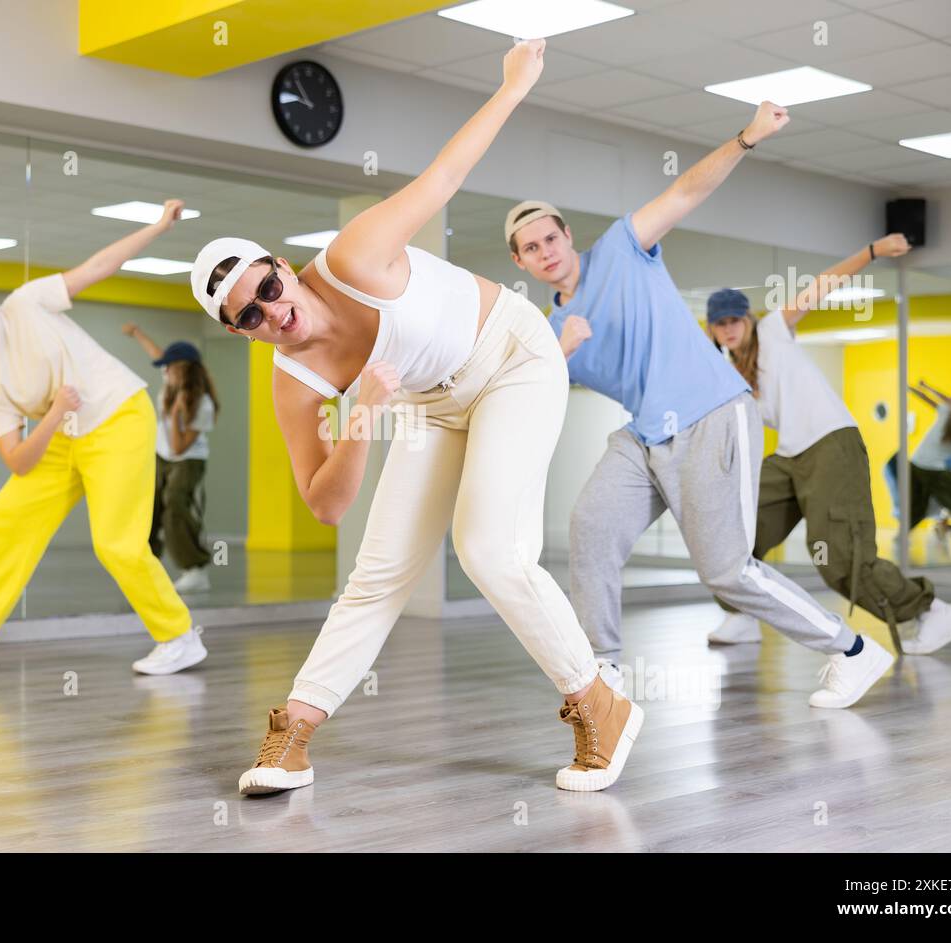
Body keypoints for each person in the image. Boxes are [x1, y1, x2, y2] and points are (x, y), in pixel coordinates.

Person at [194, 41, 643, 797]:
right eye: (251, 314)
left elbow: (446, 175)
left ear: (280, 263)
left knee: (489, 550)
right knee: (375, 574)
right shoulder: (294, 380)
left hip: (513, 359)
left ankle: (601, 702)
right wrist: (365, 414)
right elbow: (325, 503)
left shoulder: (355, 255)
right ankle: (294, 733)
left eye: (269, 284)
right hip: (427, 404)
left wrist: (514, 83)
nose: (275, 309)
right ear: (239, 330)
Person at [508, 106, 894, 709]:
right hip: (645, 436)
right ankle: (604, 673)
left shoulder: (623, 246)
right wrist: (560, 350)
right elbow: (525, 395)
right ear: (521, 264)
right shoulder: (551, 330)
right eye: (531, 248)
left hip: (713, 412)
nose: (545, 251)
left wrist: (746, 138)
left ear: (567, 237)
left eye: (550, 238)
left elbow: (685, 192)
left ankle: (854, 652)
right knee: (590, 526)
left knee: (727, 572)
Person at [0, 199, 206, 677]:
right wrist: (55, 415)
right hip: (66, 433)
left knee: (116, 543)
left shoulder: (26, 303)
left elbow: (98, 266)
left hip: (118, 415)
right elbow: (20, 462)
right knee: (3, 518)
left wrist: (156, 227)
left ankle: (179, 636)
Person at [703, 237, 951, 656]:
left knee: (838, 559)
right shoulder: (731, 377)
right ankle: (741, 615)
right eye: (721, 323)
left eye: (736, 319)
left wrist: (872, 251)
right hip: (791, 458)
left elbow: (822, 285)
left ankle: (930, 611)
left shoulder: (774, 330)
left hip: (831, 445)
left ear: (750, 320)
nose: (731, 328)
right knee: (730, 529)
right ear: (712, 330)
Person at [121, 329, 218, 592]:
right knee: (148, 505)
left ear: (185, 370)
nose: (166, 372)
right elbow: (158, 354)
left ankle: (195, 569)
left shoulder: (203, 404)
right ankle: (146, 565)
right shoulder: (170, 380)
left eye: (171, 368)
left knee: (174, 502)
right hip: (160, 456)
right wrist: (137, 333)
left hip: (187, 459)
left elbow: (178, 448)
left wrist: (175, 415)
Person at [907, 381, 951, 559]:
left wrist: (916, 388)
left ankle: (901, 536)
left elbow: (933, 398)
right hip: (933, 468)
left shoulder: (947, 411)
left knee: (920, 504)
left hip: (915, 462)